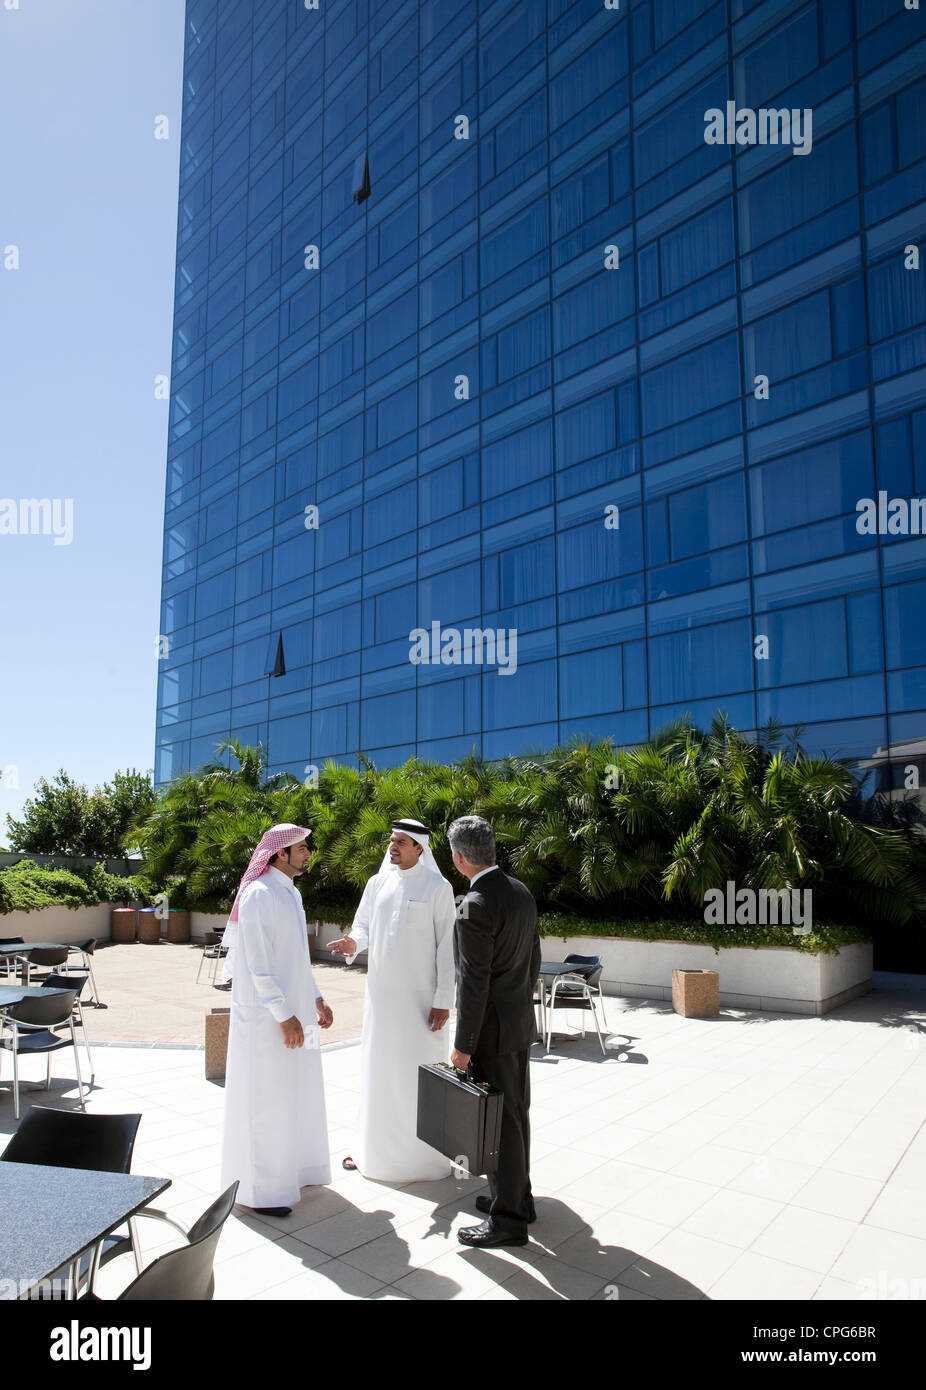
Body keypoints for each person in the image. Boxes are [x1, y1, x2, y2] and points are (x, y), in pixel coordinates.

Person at [329, 818, 456, 1180]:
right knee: (380, 1074)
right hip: (382, 1004)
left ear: (420, 848)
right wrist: (354, 942)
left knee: (417, 1075)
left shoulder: (438, 887)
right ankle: (374, 1151)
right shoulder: (376, 883)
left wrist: (444, 998)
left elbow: (448, 946)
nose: (393, 847)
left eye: (402, 841)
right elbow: (363, 927)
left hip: (421, 1006)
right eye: (392, 840)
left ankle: (422, 1158)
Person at [220, 823, 333, 1217]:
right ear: (279, 854)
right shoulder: (258, 895)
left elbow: (296, 958)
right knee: (265, 1103)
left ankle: (293, 1172)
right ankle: (262, 1191)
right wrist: (285, 1017)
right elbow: (258, 966)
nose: (308, 854)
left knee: (293, 1095)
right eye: (301, 848)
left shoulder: (291, 894)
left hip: (296, 1012)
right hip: (264, 1020)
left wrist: (315, 998)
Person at [449, 814, 541, 1248]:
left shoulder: (475, 905)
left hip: (490, 1031)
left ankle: (509, 1222)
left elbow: (473, 983)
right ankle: (517, 1200)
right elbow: (533, 962)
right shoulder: (520, 893)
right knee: (516, 1114)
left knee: (501, 1124)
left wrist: (462, 1046)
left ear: (459, 857)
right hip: (519, 1022)